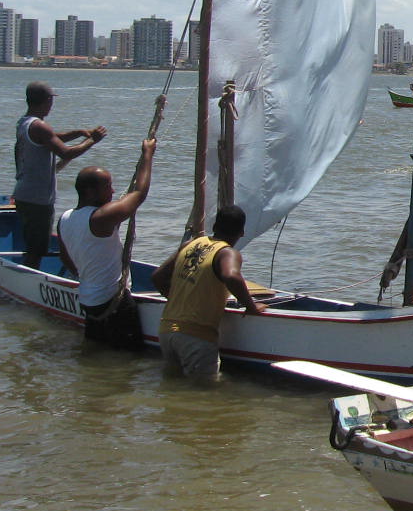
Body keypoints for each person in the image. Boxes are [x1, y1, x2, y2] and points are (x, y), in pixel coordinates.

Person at [56, 138, 156, 352]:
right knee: (129, 360)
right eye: (107, 187)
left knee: (97, 355)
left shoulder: (64, 218)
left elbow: (65, 258)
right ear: (90, 192)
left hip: (88, 301)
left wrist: (87, 275)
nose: (112, 192)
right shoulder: (100, 217)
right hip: (114, 304)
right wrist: (148, 154)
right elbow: (139, 193)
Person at [151, 205, 267, 380]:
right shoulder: (227, 252)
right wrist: (251, 306)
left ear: (214, 226)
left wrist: (182, 299)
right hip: (196, 337)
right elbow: (231, 276)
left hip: (166, 331)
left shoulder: (190, 244)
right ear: (242, 232)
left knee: (174, 386)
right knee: (203, 392)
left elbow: (158, 277)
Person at [11, 81, 106, 269]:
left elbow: (53, 138)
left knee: (34, 245)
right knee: (36, 251)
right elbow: (66, 153)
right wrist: (92, 141)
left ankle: (29, 275)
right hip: (37, 199)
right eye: (50, 101)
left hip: (24, 195)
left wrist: (79, 133)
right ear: (47, 101)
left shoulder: (25, 122)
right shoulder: (39, 126)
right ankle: (30, 282)